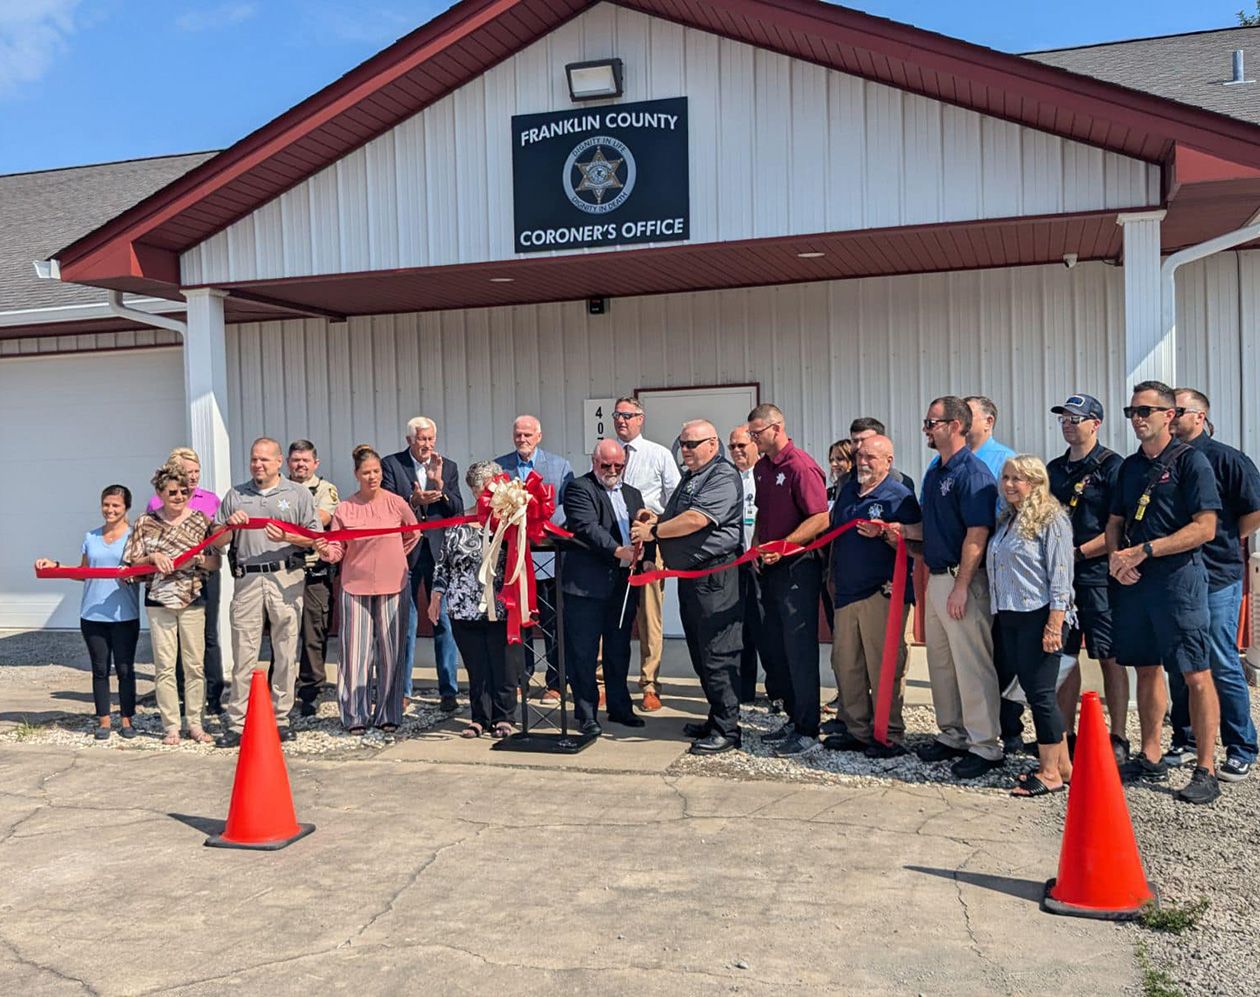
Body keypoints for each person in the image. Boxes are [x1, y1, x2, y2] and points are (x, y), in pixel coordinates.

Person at [1107, 380, 1222, 805]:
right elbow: (1116, 520)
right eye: (1132, 412)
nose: (1137, 419)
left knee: (1195, 672)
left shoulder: (1193, 463)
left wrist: (1148, 549)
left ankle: (1205, 767)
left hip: (1177, 582)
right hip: (1134, 584)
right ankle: (1150, 753)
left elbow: (1205, 527)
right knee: (1146, 668)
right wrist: (1118, 559)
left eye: (1145, 412)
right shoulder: (1129, 467)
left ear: (1169, 416)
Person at [632, 420, 744, 754]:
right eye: (681, 444)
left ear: (712, 444)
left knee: (717, 652)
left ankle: (728, 728)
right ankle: (716, 717)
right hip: (694, 577)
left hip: (715, 576)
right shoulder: (693, 477)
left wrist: (655, 532)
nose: (685, 450)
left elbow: (697, 519)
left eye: (692, 444)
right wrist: (654, 518)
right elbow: (675, 515)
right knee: (700, 649)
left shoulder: (722, 475)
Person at [907, 395, 1003, 779]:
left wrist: (962, 587)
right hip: (936, 577)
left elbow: (977, 534)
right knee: (942, 663)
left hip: (961, 580)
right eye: (927, 422)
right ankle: (952, 734)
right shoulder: (936, 471)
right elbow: (930, 527)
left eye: (933, 423)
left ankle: (985, 745)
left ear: (956, 426)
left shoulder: (973, 474)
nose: (927, 430)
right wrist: (897, 532)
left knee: (972, 665)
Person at [1169, 388, 1260, 782]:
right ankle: (1186, 739)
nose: (1170, 417)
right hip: (1176, 576)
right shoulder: (1166, 460)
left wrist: (1223, 540)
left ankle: (1241, 746)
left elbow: (1254, 512)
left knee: (1221, 658)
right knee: (1179, 660)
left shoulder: (1228, 459)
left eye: (1178, 411)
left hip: (1217, 574)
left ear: (1200, 417)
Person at [213, 438, 321, 748]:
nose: (258, 464)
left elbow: (314, 538)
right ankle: (237, 722)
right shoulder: (236, 495)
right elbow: (217, 543)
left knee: (285, 650)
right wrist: (228, 528)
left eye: (264, 459)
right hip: (247, 580)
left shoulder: (297, 494)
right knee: (244, 653)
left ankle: (280, 717)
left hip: (285, 577)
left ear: (278, 463)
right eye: (253, 459)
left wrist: (288, 535)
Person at [1045, 395, 1129, 763]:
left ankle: (1118, 736)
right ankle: (1065, 734)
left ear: (1096, 423)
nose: (1067, 424)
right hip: (1061, 580)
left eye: (1075, 418)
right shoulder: (1055, 468)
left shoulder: (1114, 467)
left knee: (1109, 656)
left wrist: (1076, 554)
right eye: (1063, 417)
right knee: (1064, 656)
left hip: (1098, 577)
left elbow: (1119, 525)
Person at [826, 435, 919, 757]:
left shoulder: (900, 496)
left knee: (884, 667)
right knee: (846, 664)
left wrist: (888, 533)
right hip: (846, 592)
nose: (863, 463)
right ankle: (857, 729)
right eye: (861, 456)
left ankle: (888, 734)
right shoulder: (848, 490)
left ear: (888, 462)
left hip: (882, 593)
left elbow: (918, 539)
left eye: (872, 458)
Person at [988, 456, 1075, 797]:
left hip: (1040, 616)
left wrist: (1055, 624)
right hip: (1011, 615)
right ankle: (1064, 767)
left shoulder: (1051, 518)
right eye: (1006, 477)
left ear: (1037, 482)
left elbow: (1061, 574)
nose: (1009, 484)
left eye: (1019, 479)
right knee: (1033, 692)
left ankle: (1050, 772)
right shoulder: (1009, 519)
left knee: (1041, 696)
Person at [747, 403, 830, 757]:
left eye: (756, 434)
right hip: (769, 569)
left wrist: (785, 545)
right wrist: (756, 545)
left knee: (799, 650)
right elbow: (764, 513)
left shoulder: (801, 466)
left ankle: (809, 728)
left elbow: (820, 518)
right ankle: (795, 719)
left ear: (776, 428)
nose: (752, 440)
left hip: (797, 569)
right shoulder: (762, 468)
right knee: (778, 649)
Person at [315, 445, 418, 733]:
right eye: (366, 472)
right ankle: (354, 714)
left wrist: (395, 556)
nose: (372, 477)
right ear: (356, 474)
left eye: (376, 472)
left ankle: (389, 713)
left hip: (393, 585)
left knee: (391, 651)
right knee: (354, 653)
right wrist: (326, 551)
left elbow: (413, 534)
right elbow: (337, 547)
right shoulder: (345, 508)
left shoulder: (397, 503)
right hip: (355, 586)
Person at [123, 463, 220, 745]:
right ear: (160, 493)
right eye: (173, 492)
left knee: (195, 666)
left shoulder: (201, 520)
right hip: (158, 600)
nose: (179, 497)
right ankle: (171, 726)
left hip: (193, 598)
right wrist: (153, 558)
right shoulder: (145, 522)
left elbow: (216, 562)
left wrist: (200, 560)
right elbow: (132, 563)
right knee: (165, 665)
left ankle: (196, 723)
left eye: (184, 492)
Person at [35, 485, 141, 740]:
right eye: (106, 504)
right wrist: (56, 566)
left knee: (125, 669)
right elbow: (84, 574)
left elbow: (142, 571)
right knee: (100, 669)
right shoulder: (90, 537)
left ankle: (127, 719)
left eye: (116, 505)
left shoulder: (135, 537)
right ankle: (104, 721)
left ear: (126, 508)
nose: (110, 510)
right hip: (92, 615)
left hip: (124, 615)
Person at [561, 439, 647, 734]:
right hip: (586, 585)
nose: (612, 470)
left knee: (619, 648)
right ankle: (586, 712)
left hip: (623, 584)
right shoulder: (579, 488)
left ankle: (620, 706)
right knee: (583, 652)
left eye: (618, 465)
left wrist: (643, 546)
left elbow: (642, 529)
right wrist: (618, 551)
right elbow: (587, 527)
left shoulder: (633, 494)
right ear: (594, 462)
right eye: (605, 465)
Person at [430, 461, 518, 739]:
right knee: (476, 666)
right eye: (478, 490)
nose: (483, 496)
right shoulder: (459, 522)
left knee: (501, 664)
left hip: (499, 607)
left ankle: (504, 717)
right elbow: (443, 564)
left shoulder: (510, 521)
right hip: (462, 607)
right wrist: (436, 597)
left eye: (488, 489)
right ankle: (480, 716)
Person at [381, 416, 463, 713]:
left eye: (430, 439)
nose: (427, 444)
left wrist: (441, 489)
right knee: (406, 621)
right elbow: (387, 505)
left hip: (439, 551)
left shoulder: (448, 466)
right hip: (407, 551)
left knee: (443, 621)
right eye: (421, 439)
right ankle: (402, 690)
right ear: (409, 441)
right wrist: (413, 501)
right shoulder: (392, 464)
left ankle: (448, 690)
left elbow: (456, 509)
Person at [496, 414, 574, 702]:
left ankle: (556, 682)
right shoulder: (500, 467)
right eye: (518, 434)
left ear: (539, 436)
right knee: (519, 619)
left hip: (548, 556)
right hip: (515, 559)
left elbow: (568, 507)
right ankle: (521, 679)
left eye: (528, 435)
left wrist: (539, 527)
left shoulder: (559, 466)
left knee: (554, 622)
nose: (523, 439)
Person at [613, 396, 681, 712]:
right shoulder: (608, 454)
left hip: (650, 543)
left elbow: (676, 501)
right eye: (617, 415)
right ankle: (604, 680)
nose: (621, 420)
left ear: (641, 418)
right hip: (615, 546)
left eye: (628, 415)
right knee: (611, 613)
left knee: (650, 615)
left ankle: (650, 684)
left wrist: (654, 518)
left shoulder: (659, 455)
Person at [146, 447, 225, 713]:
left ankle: (213, 696)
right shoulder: (156, 503)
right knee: (175, 637)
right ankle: (181, 694)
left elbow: (219, 541)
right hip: (170, 579)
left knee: (208, 634)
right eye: (187, 472)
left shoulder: (211, 500)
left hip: (204, 575)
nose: (192, 478)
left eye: (196, 472)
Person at [287, 440, 340, 717]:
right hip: (283, 572)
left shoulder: (324, 489)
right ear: (287, 463)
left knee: (313, 634)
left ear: (315, 463)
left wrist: (287, 526)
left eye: (306, 460)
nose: (300, 465)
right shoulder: (278, 491)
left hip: (313, 573)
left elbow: (321, 518)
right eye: (296, 460)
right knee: (281, 634)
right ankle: (280, 689)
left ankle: (310, 692)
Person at [729, 425, 766, 704]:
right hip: (734, 564)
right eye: (732, 447)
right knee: (740, 630)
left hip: (762, 564)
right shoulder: (730, 479)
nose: (737, 451)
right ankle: (744, 691)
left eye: (742, 445)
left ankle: (777, 691)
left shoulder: (764, 475)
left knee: (764, 626)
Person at [847, 418, 915, 489]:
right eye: (855, 441)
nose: (859, 446)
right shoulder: (844, 482)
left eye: (865, 440)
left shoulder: (900, 481)